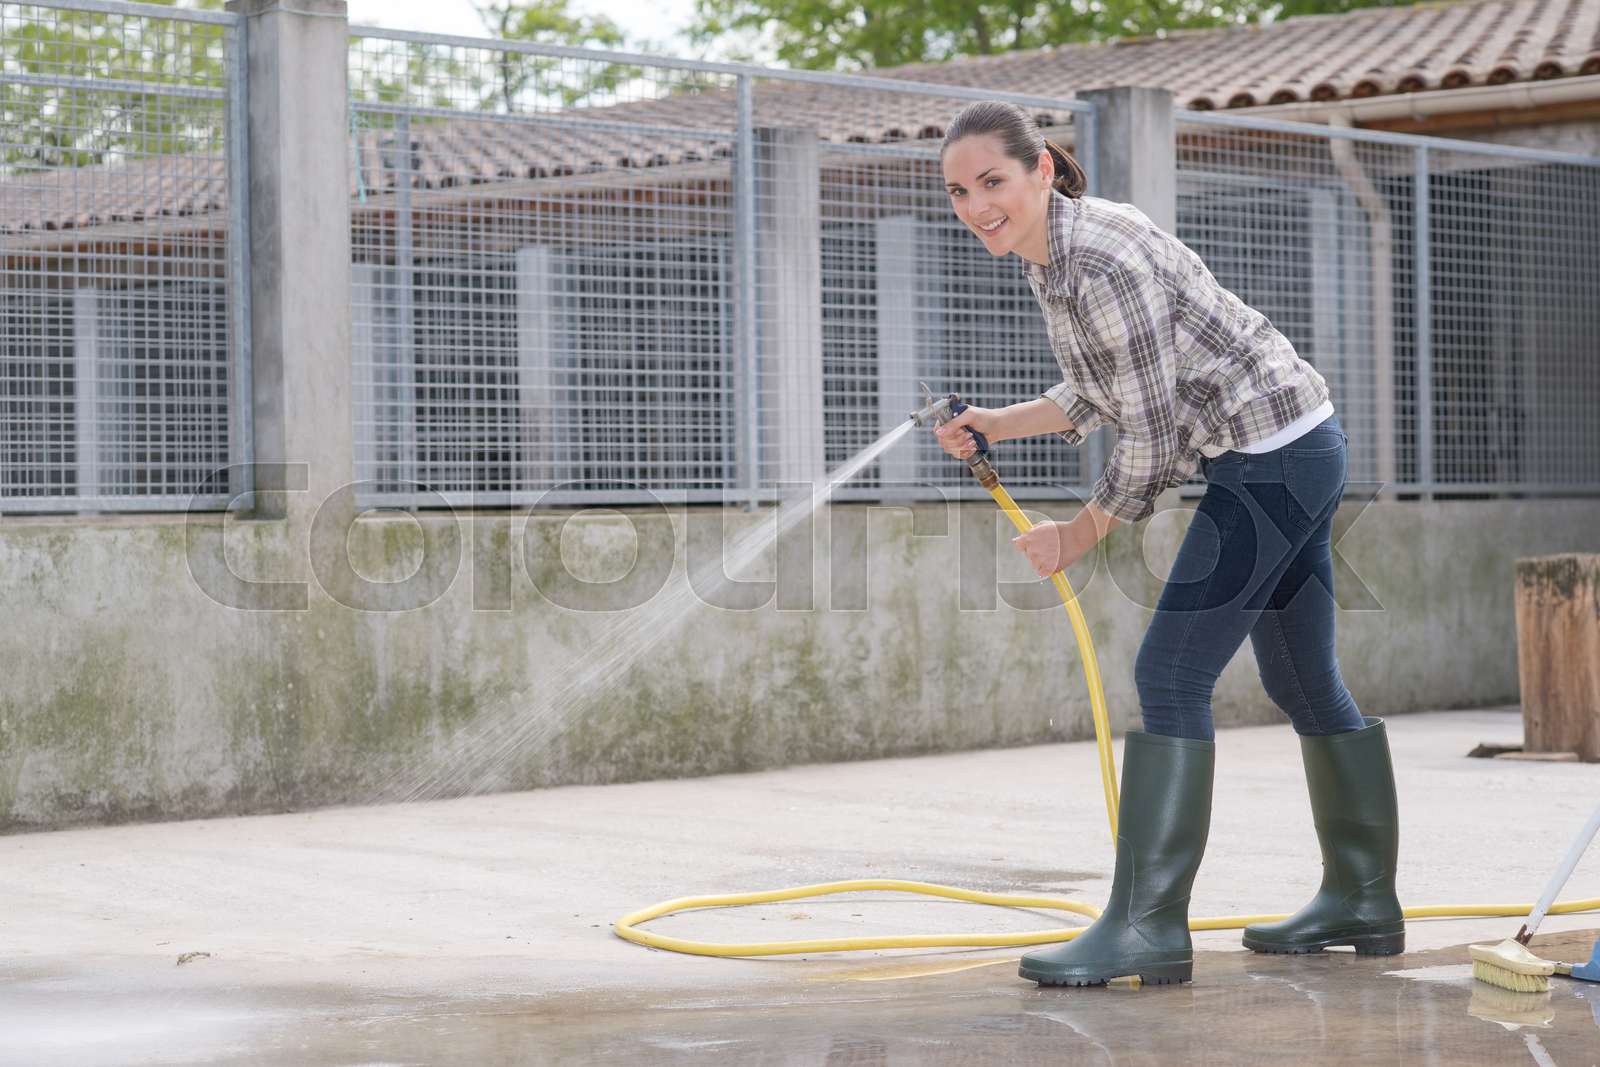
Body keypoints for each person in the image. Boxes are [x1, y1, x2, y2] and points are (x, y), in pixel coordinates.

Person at [933, 100, 1403, 988]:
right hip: (1295, 442)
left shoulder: (1101, 258)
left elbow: (1150, 437)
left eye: (992, 181)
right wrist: (999, 419)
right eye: (959, 191)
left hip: (1272, 455)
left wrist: (1082, 529)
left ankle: (1149, 925)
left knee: (1170, 674)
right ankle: (1363, 898)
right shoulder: (1053, 256)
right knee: (1301, 677)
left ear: (1040, 171)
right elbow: (1096, 387)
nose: (976, 204)